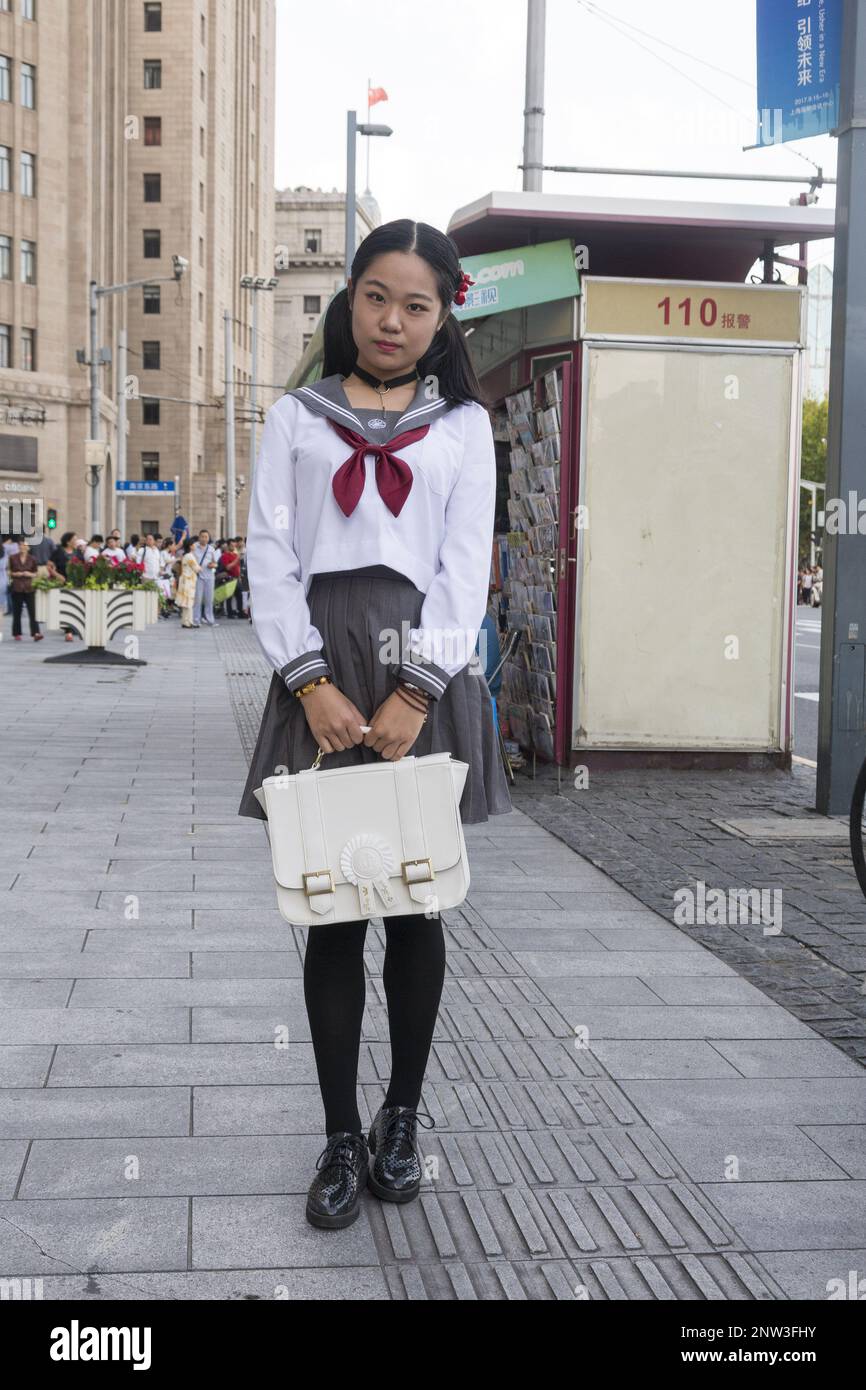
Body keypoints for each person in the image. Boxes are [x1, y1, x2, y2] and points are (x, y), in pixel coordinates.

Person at [237, 218, 513, 1231]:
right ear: (344, 300)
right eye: (374, 297)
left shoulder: (461, 428)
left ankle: (402, 1116)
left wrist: (415, 691)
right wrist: (306, 681)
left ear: (441, 318)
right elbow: (267, 551)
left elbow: (462, 566)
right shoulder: (293, 419)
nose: (391, 320)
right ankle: (338, 1132)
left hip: (419, 672)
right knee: (328, 906)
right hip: (318, 659)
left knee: (411, 905)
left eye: (415, 304)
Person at [8, 539, 43, 640]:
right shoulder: (12, 558)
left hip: (29, 587)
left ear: (28, 547)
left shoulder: (32, 559)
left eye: (25, 545)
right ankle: (17, 633)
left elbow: (36, 572)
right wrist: (15, 574)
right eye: (21, 545)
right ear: (18, 546)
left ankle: (36, 633)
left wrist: (30, 574)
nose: (22, 547)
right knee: (17, 612)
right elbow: (9, 571)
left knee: (33, 612)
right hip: (17, 587)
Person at [192, 529, 218, 627]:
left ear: (208, 538)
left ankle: (210, 620)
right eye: (202, 536)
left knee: (209, 599)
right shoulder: (194, 547)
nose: (204, 538)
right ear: (199, 537)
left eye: (206, 537)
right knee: (197, 599)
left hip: (210, 577)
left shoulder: (211, 549)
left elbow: (215, 563)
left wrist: (213, 565)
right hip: (198, 577)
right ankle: (196, 620)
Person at [175, 538, 200, 628]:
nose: (195, 545)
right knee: (189, 602)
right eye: (193, 544)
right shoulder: (189, 556)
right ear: (190, 546)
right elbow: (196, 568)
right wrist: (201, 567)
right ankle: (188, 622)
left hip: (186, 580)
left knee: (186, 602)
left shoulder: (187, 555)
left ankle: (186, 621)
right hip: (188, 581)